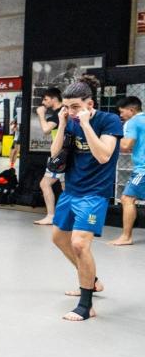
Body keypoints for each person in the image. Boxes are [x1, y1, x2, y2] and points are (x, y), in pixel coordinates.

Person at [50, 78, 122, 321]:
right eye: (67, 107)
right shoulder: (68, 121)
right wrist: (61, 124)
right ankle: (92, 280)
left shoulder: (108, 121)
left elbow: (103, 155)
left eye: (75, 107)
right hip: (71, 189)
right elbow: (55, 153)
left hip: (95, 193)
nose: (70, 112)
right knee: (59, 238)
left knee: (80, 244)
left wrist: (87, 124)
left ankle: (86, 304)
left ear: (89, 104)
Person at [109, 96, 145, 246]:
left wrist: (112, 137)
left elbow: (126, 145)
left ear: (131, 110)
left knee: (127, 198)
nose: (121, 115)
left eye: (122, 112)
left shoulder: (133, 122)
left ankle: (126, 237)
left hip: (143, 168)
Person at [34, 88, 64, 226]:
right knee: (57, 186)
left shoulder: (60, 113)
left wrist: (41, 114)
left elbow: (46, 129)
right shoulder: (59, 112)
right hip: (60, 156)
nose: (43, 102)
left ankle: (55, 216)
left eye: (45, 99)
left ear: (53, 98)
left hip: (62, 156)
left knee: (49, 184)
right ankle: (55, 216)